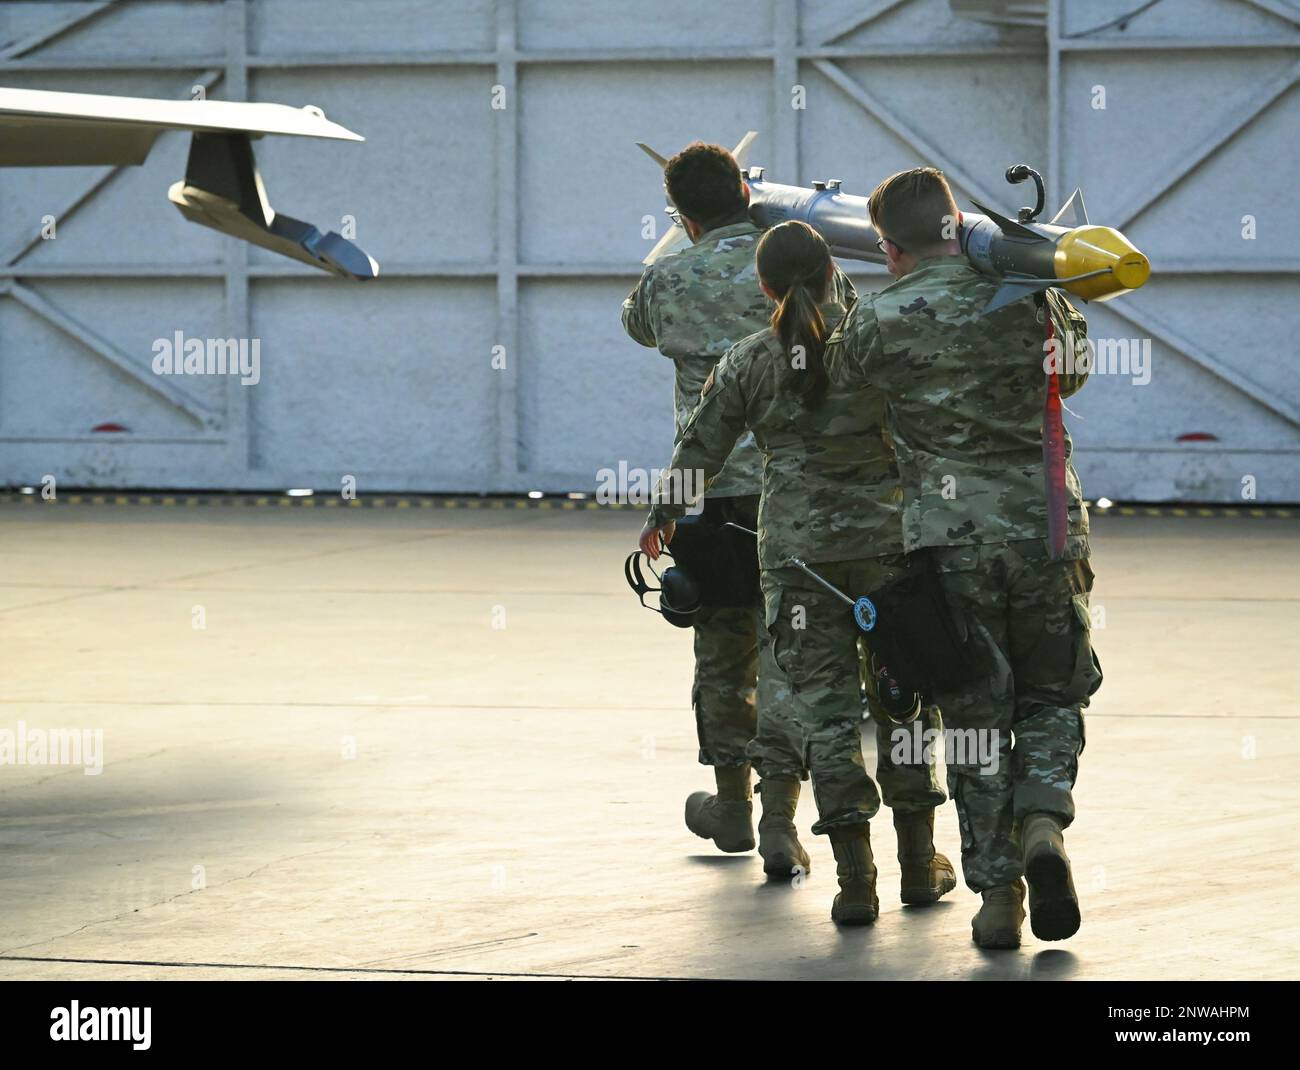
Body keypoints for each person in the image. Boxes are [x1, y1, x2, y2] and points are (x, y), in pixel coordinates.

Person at [638, 220, 955, 924]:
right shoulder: (878, 347)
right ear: (833, 275)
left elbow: (701, 448)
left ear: (764, 286)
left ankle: (856, 883)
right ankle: (918, 864)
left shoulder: (751, 360)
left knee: (824, 715)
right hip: (889, 556)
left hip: (798, 561)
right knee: (903, 704)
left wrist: (661, 516)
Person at [824, 167, 1102, 948]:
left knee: (975, 718)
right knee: (1052, 693)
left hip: (947, 544)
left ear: (888, 246)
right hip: (1047, 529)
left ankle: (999, 896)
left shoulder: (881, 319)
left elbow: (844, 388)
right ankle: (1044, 819)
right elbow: (1073, 369)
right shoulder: (1031, 296)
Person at [622, 142, 826, 877]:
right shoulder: (802, 273)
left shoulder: (667, 280)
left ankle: (731, 804)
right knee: (791, 659)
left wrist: (685, 236)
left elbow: (636, 323)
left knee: (721, 652)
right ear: (747, 188)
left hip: (705, 497)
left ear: (680, 212)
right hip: (800, 495)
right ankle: (780, 821)